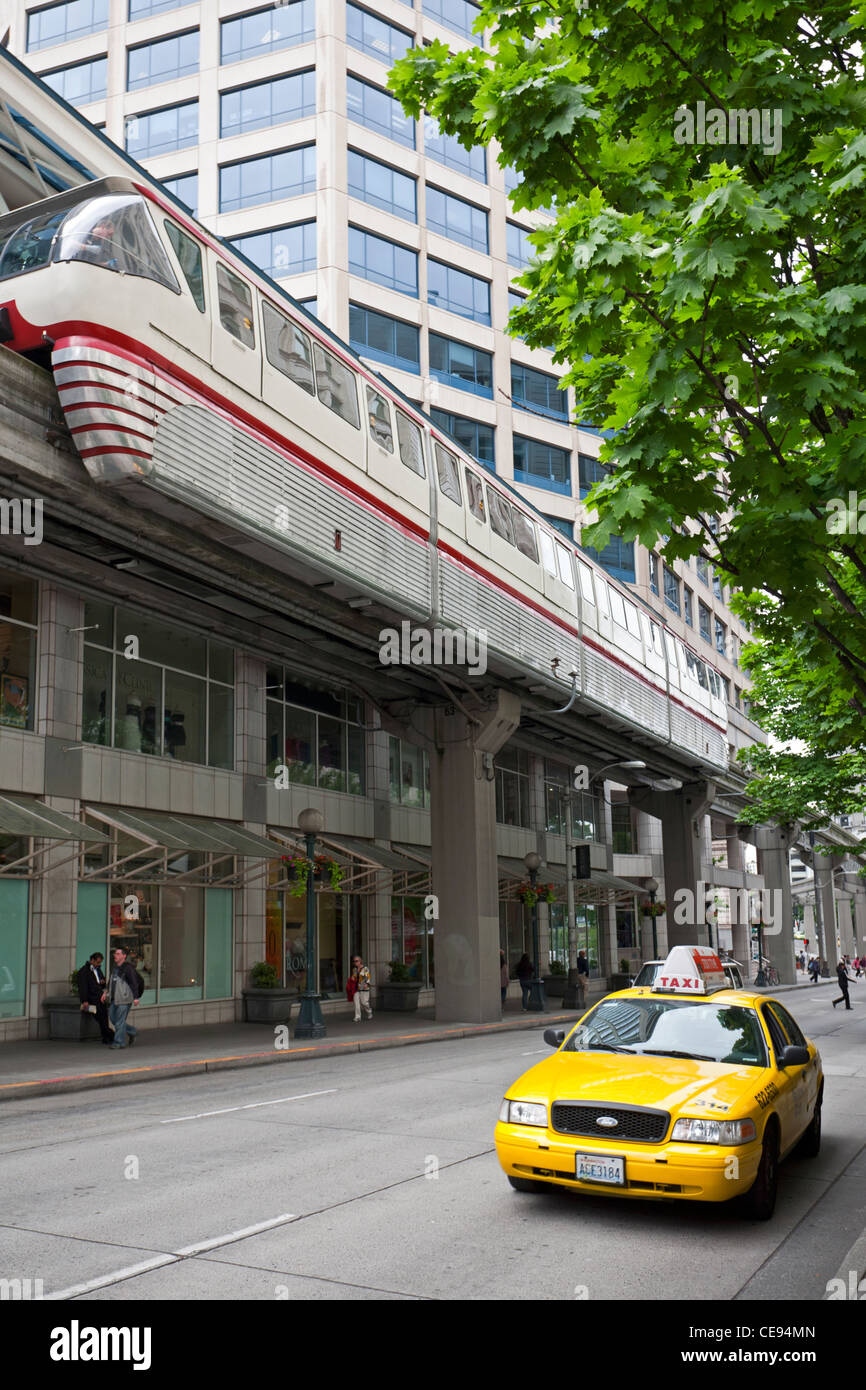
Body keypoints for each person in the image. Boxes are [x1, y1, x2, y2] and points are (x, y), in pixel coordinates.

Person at [102, 946, 143, 1047]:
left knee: (119, 1021)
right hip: (114, 999)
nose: (115, 956)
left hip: (124, 999)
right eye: (115, 954)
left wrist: (136, 997)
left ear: (124, 956)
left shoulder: (128, 968)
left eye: (118, 954)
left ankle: (119, 1042)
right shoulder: (115, 968)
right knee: (113, 1018)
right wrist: (105, 992)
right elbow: (110, 981)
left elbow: (134, 983)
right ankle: (132, 1031)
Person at [77, 951, 112, 1044]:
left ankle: (107, 1038)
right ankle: (111, 1035)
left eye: (100, 962)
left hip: (100, 998)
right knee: (100, 1019)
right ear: (92, 960)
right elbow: (83, 987)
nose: (99, 964)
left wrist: (102, 982)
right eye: (97, 962)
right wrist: (84, 1000)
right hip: (92, 999)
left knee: (104, 1018)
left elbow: (102, 981)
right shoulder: (84, 971)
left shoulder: (98, 969)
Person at [350, 955, 372, 1022]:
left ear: (360, 961)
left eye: (356, 961)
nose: (355, 962)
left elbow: (368, 977)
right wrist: (352, 978)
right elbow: (353, 977)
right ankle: (357, 1017)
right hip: (356, 988)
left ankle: (369, 1011)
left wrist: (367, 983)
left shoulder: (365, 968)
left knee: (364, 1003)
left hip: (364, 988)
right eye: (354, 961)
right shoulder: (354, 969)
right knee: (356, 1003)